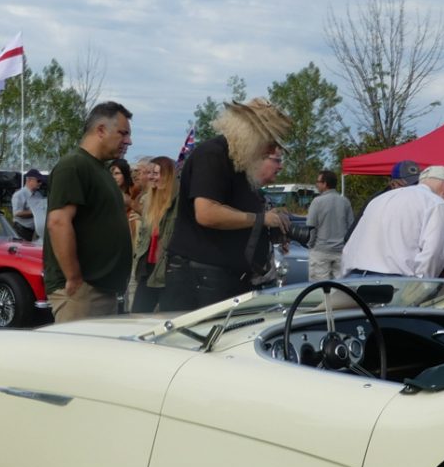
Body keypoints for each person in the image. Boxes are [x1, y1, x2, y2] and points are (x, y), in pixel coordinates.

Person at [162, 98, 294, 311]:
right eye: (268, 138)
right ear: (250, 132)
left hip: (222, 276)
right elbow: (207, 213)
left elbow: (235, 210)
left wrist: (270, 220)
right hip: (202, 276)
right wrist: (261, 219)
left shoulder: (240, 163)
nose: (271, 147)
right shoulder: (213, 154)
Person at [43, 101, 134, 322]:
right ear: (101, 130)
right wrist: (74, 278)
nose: (128, 141)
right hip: (82, 293)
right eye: (123, 133)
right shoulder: (74, 165)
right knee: (77, 355)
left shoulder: (100, 169)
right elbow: (58, 223)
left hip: (101, 291)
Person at [341, 165, 444, 277]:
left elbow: (352, 244)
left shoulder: (379, 199)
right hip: (394, 283)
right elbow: (433, 254)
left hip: (354, 276)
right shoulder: (437, 204)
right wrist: (422, 286)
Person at [130, 156, 179, 314]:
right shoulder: (149, 202)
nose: (151, 177)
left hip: (169, 273)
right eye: (150, 173)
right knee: (137, 315)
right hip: (148, 269)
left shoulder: (180, 202)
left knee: (167, 318)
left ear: (169, 175)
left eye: (156, 173)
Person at [304, 169, 355, 281]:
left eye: (318, 182)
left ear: (325, 184)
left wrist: (310, 245)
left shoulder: (317, 201)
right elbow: (351, 226)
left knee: (319, 288)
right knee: (341, 288)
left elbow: (312, 227)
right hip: (340, 252)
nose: (316, 184)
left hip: (321, 251)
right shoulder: (345, 201)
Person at [11, 168, 45, 242]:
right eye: (38, 181)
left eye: (41, 181)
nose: (40, 183)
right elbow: (17, 213)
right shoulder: (19, 195)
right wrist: (35, 212)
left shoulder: (38, 195)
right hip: (21, 230)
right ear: (29, 180)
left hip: (34, 231)